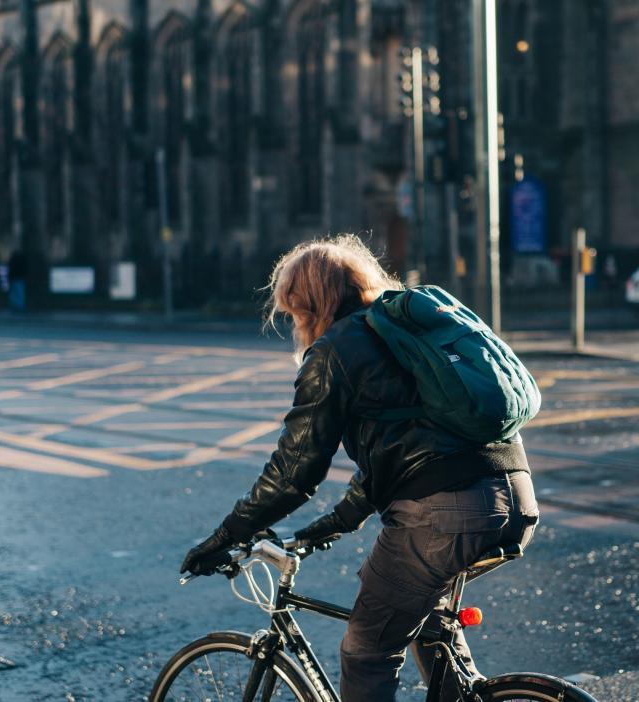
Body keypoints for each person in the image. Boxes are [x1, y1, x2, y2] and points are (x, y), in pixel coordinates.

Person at [180, 234, 539, 701]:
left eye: (292, 312)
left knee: (367, 650)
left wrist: (225, 536)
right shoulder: (400, 333)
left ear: (309, 305)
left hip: (446, 515)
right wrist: (328, 526)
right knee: (426, 621)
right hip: (513, 493)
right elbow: (399, 454)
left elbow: (295, 471)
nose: (293, 323)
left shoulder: (334, 351)